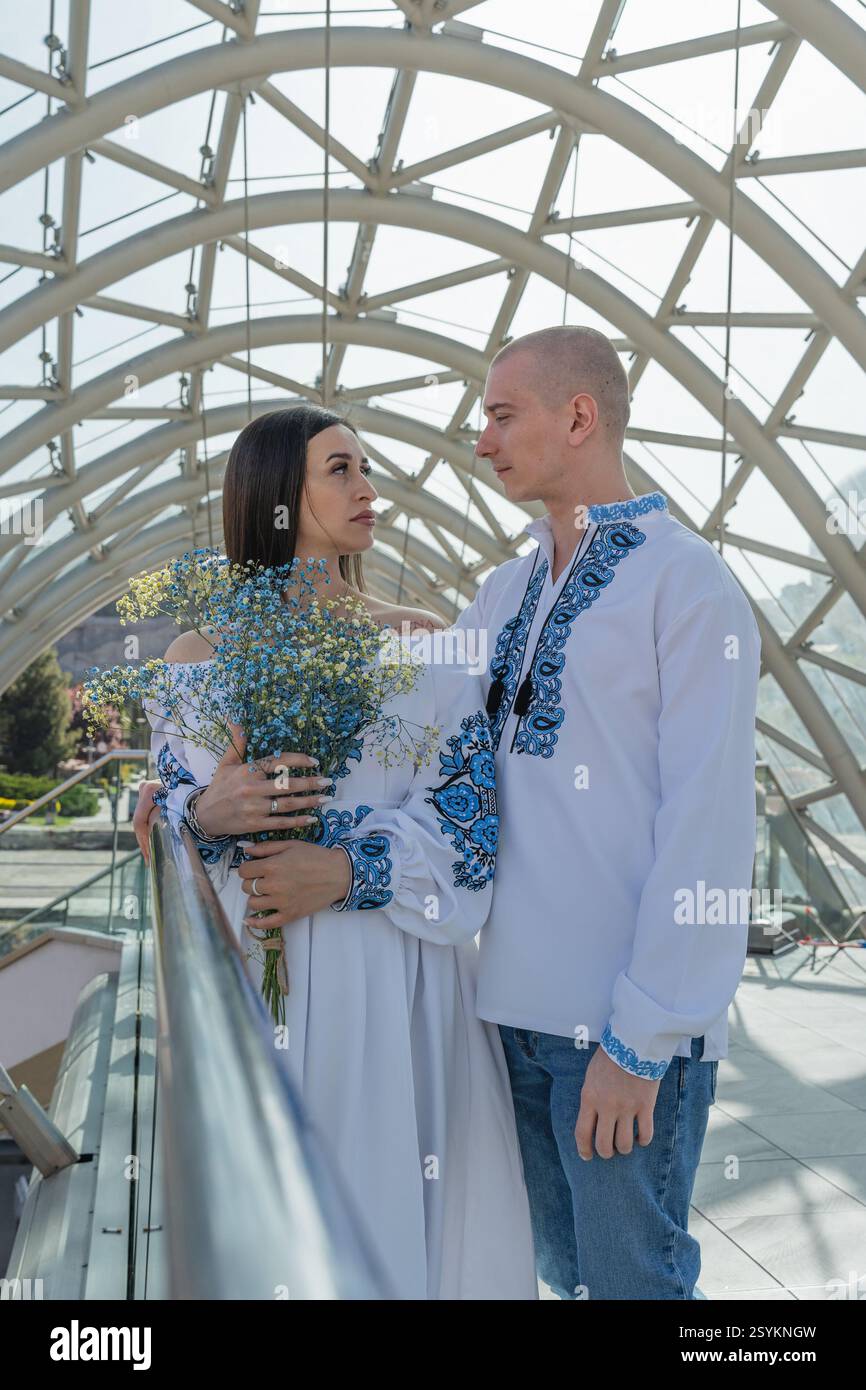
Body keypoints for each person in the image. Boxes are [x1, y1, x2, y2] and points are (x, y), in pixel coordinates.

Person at [135, 405, 537, 1301]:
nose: (368, 490)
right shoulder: (198, 658)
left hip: (395, 981)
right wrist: (210, 807)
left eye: (366, 469)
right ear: (278, 493)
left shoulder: (426, 642)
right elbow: (170, 830)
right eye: (341, 471)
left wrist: (350, 871)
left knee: (394, 1215)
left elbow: (471, 837)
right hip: (254, 970)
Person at [447, 325, 762, 1300]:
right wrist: (196, 758)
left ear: (577, 415)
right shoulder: (501, 593)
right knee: (568, 1277)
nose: (482, 439)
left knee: (636, 1285)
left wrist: (644, 1039)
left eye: (502, 415)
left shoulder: (686, 586)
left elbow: (705, 824)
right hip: (510, 1023)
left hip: (617, 1035)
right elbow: (406, 738)